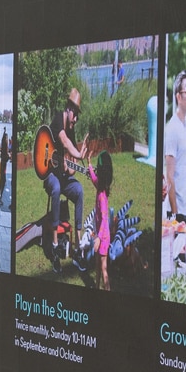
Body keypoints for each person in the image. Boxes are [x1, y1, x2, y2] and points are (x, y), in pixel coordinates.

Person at [42, 87, 88, 260]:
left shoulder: (72, 127)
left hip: (61, 175)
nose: (75, 119)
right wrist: (78, 153)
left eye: (77, 116)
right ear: (68, 109)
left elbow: (69, 167)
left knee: (79, 190)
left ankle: (77, 244)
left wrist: (74, 165)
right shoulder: (58, 119)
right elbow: (65, 141)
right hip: (49, 175)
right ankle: (55, 244)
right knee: (55, 187)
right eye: (74, 114)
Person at [163, 70, 186, 222]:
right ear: (178, 96)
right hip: (177, 214)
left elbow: (185, 170)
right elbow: (170, 177)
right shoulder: (172, 129)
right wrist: (176, 218)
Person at [89, 151, 114, 290]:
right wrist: (89, 164)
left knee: (104, 269)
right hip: (100, 235)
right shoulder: (100, 186)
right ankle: (97, 288)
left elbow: (105, 220)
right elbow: (93, 179)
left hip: (103, 238)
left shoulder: (102, 198)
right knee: (97, 266)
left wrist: (98, 238)